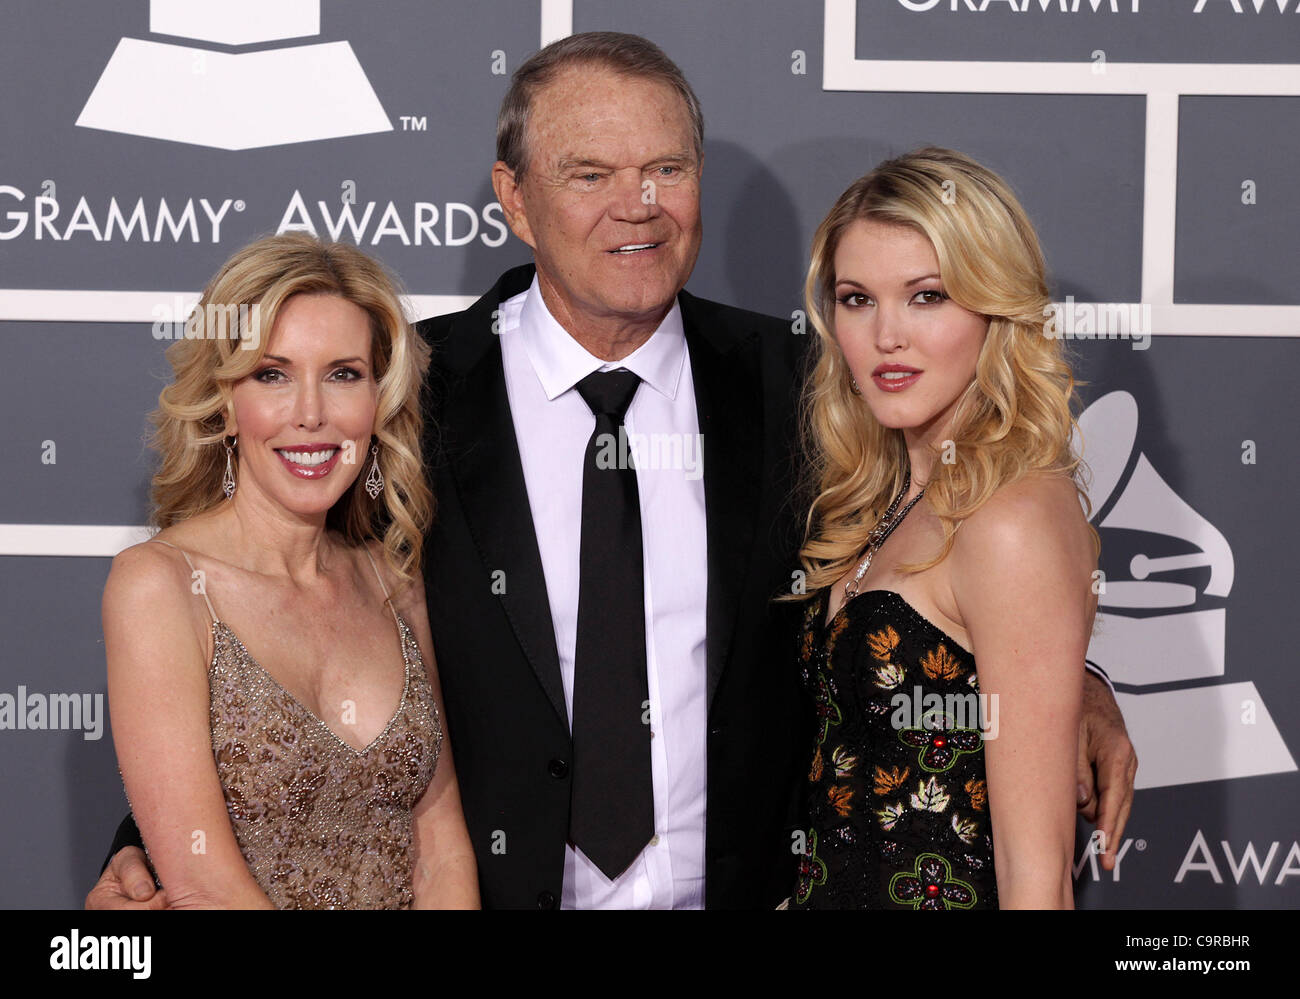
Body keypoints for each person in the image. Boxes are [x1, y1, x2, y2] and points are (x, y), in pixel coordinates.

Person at [90, 33, 1134, 911]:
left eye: (665, 171)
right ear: (514, 196)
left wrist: (1072, 688)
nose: (635, 206)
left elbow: (963, 569)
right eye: (589, 175)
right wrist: (151, 845)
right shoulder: (406, 397)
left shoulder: (812, 390)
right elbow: (275, 608)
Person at [101, 233, 478, 908]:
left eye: (343, 374)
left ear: (377, 400)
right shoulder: (159, 584)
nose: (311, 414)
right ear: (224, 401)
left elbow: (441, 850)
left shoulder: (395, 583)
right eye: (272, 374)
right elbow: (203, 883)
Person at [788, 148, 1101, 909]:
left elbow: (1037, 876)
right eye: (857, 299)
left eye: (926, 297)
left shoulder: (1011, 519)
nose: (886, 335)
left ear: (994, 307)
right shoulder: (881, 497)